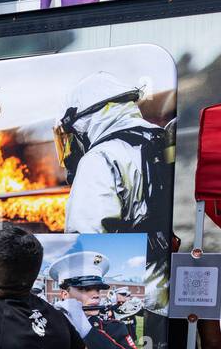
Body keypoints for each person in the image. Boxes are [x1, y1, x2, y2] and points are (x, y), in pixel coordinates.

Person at [55, 72, 170, 234]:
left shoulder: (99, 159)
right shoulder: (156, 139)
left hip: (125, 259)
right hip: (158, 258)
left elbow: (86, 240)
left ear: (82, 123)